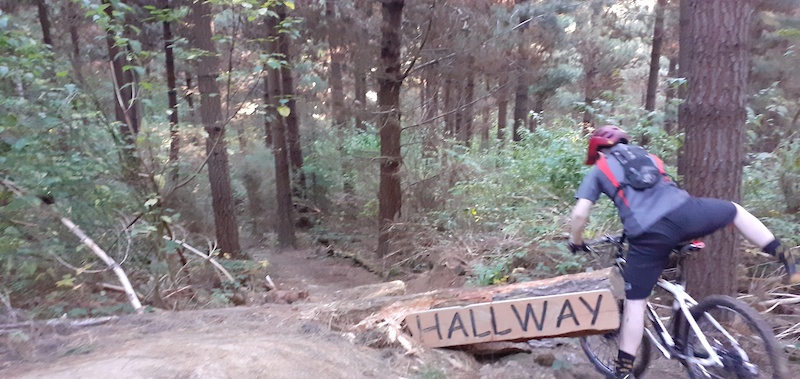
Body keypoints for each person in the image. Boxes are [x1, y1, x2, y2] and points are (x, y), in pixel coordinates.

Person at [567, 125, 800, 379]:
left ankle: (623, 372)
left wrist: (576, 241)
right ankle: (787, 259)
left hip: (649, 235)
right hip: (687, 213)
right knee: (734, 210)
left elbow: (580, 214)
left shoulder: (600, 168)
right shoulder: (650, 157)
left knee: (635, 305)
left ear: (597, 152)